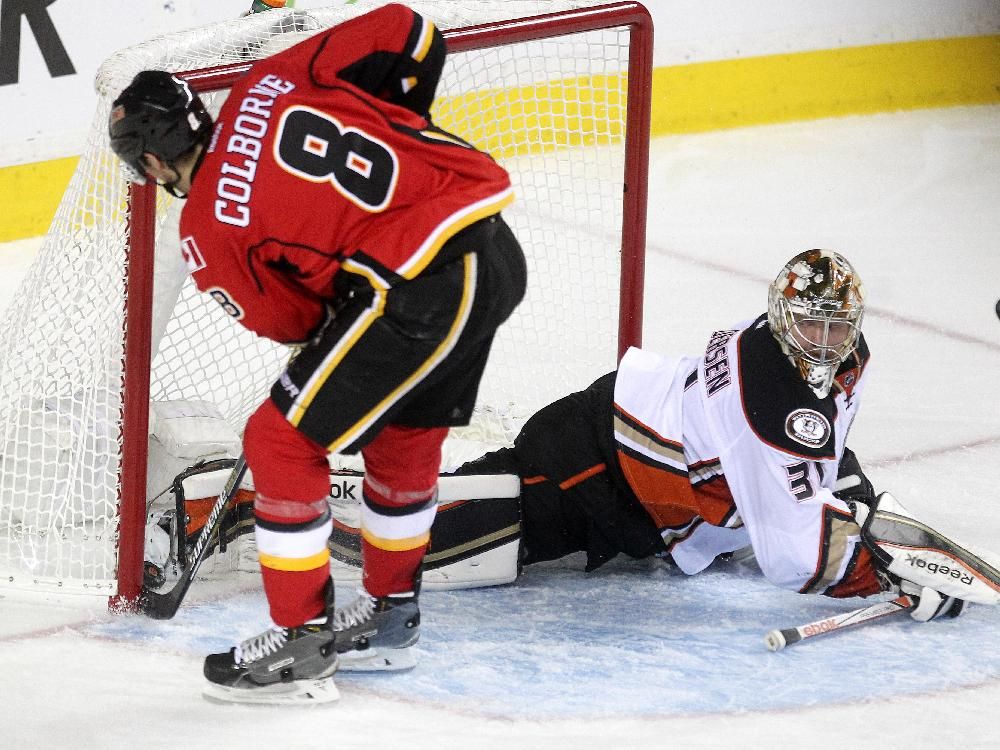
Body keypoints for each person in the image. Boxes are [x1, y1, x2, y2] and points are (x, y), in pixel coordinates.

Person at [109, 3, 526, 704]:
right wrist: (396, 138)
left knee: (278, 441)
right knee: (404, 434)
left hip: (419, 288)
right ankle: (390, 622)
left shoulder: (207, 228)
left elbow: (294, 320)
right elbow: (409, 32)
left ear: (151, 160)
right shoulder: (266, 81)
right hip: (491, 249)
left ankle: (301, 642)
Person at [334, 249, 979, 625]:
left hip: (638, 471)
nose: (827, 345)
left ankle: (357, 505)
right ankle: (299, 506)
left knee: (497, 519)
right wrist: (883, 578)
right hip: (602, 461)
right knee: (480, 533)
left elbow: (823, 445)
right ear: (785, 321)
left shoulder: (833, 360)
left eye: (838, 329)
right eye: (813, 328)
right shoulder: (773, 402)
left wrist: (857, 504)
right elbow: (792, 555)